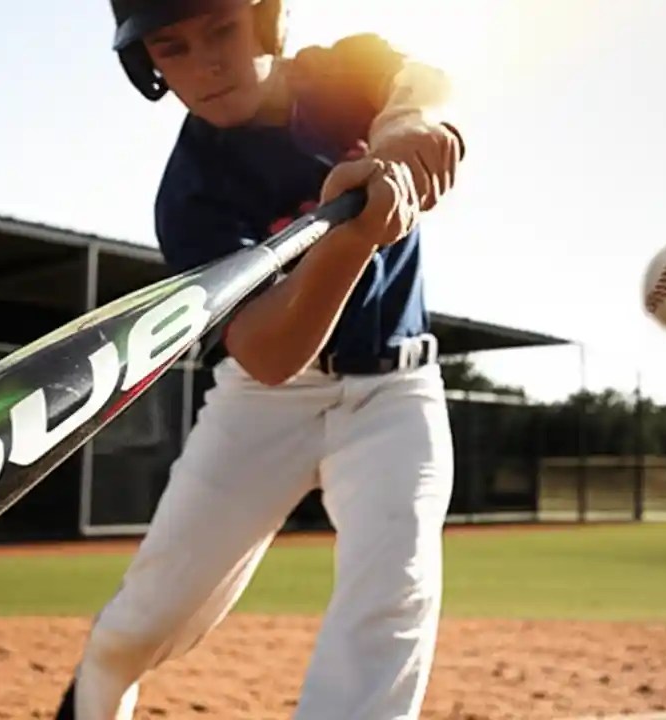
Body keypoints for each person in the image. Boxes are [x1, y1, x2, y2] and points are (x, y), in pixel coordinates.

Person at [56, 0, 465, 717]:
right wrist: (349, 242)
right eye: (173, 47)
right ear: (149, 67)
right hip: (263, 402)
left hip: (397, 392)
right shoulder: (190, 193)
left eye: (222, 29)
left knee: (391, 594)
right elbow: (271, 354)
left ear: (267, 19)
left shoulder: (342, 75)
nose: (207, 63)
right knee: (146, 620)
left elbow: (425, 78)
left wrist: (403, 120)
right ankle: (90, 702)